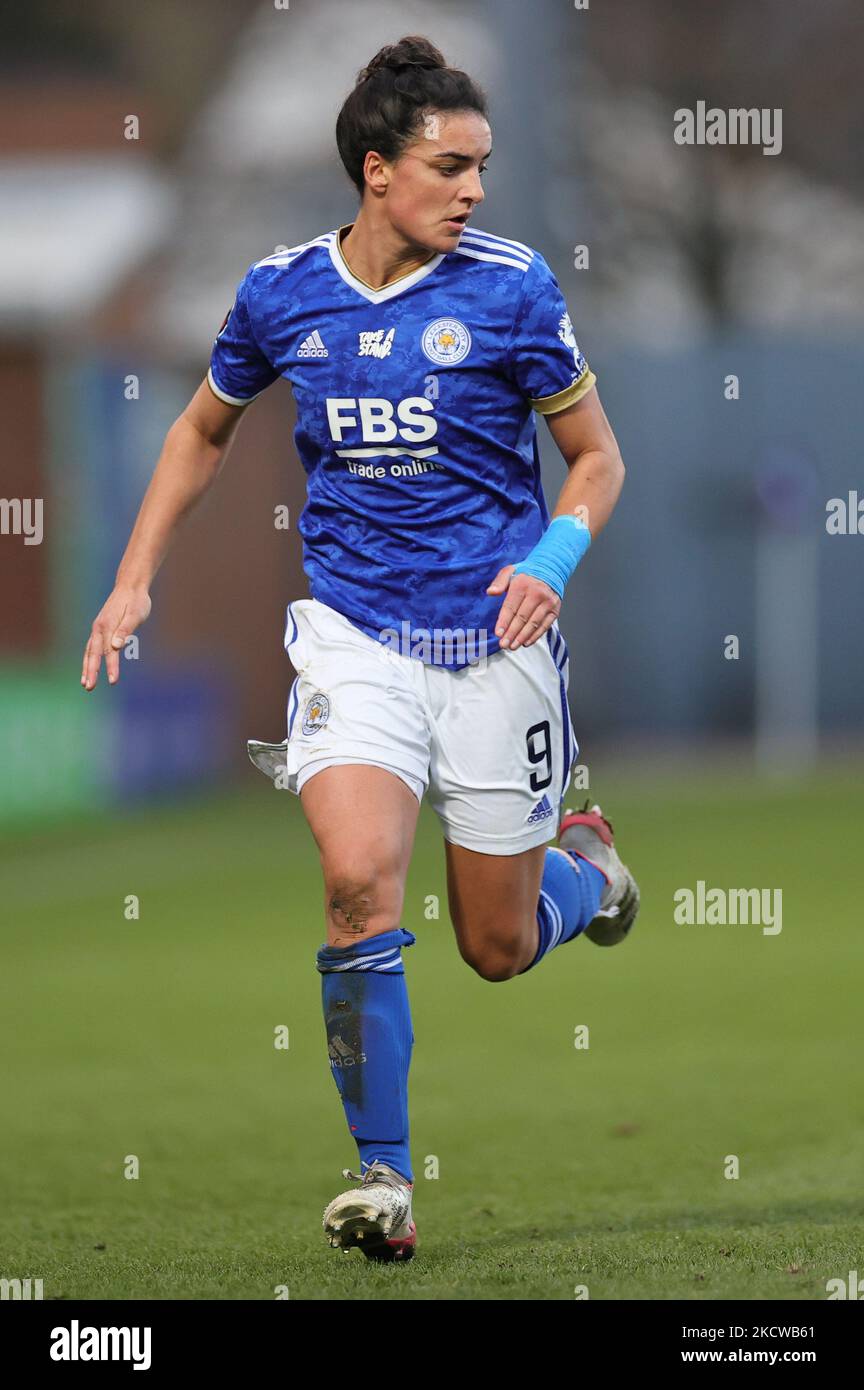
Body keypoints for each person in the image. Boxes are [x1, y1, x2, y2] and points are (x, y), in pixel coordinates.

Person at [81, 34, 639, 1265]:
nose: (474, 190)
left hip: (492, 642)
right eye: (451, 166)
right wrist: (131, 583)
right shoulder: (282, 293)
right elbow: (198, 432)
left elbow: (596, 461)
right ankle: (382, 1176)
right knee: (354, 881)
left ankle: (586, 874)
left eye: (482, 166)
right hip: (353, 636)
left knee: (492, 947)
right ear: (376, 171)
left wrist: (546, 563)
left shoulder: (511, 289)